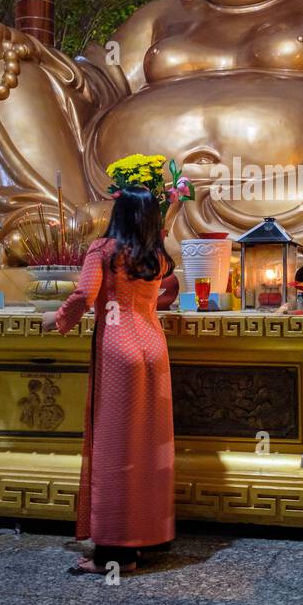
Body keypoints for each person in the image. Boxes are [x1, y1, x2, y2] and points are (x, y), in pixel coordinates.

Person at [42, 185, 175, 575]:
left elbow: (85, 294)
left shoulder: (103, 250)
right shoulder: (157, 256)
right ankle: (140, 542)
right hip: (153, 348)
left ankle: (113, 554)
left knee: (115, 450)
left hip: (118, 348)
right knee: (147, 450)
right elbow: (163, 293)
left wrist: (57, 319)